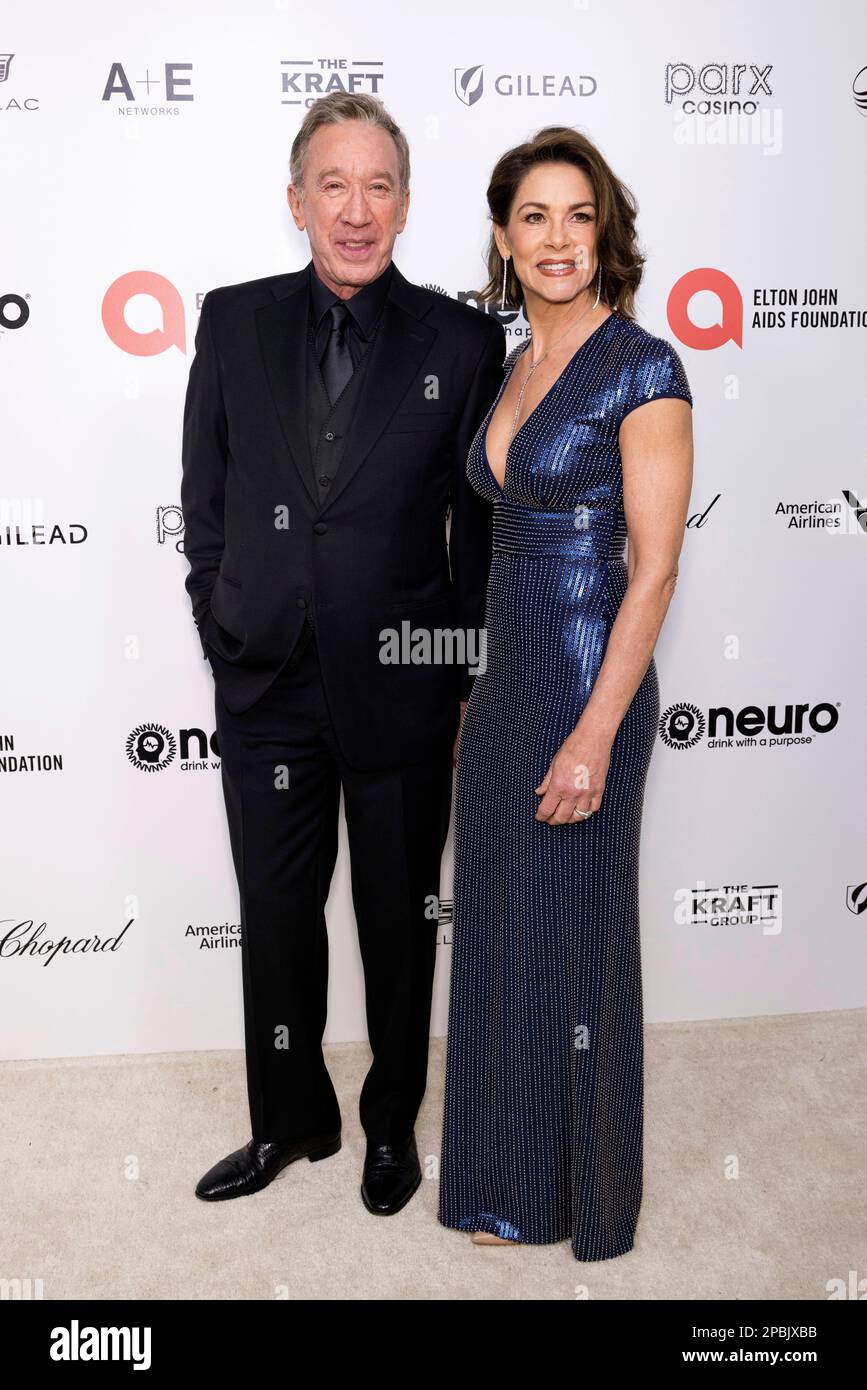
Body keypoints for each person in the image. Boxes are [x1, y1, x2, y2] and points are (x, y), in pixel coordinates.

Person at [181, 92, 505, 1216]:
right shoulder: (232, 321)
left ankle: (386, 1129)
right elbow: (206, 501)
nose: (355, 211)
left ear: (406, 205)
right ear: (296, 199)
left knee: (398, 925)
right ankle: (290, 1120)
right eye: (334, 185)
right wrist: (221, 627)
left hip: (406, 688)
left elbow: (480, 531)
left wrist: (461, 673)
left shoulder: (462, 342)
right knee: (275, 923)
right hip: (267, 682)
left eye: (378, 187)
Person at [438, 126, 694, 1260]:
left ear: (605, 232)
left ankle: (579, 1190)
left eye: (577, 215)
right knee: (501, 924)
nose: (556, 238)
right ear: (503, 235)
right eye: (533, 216)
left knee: (572, 932)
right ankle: (503, 1177)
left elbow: (657, 566)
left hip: (592, 678)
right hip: (506, 681)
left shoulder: (643, 365)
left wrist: (594, 732)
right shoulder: (513, 361)